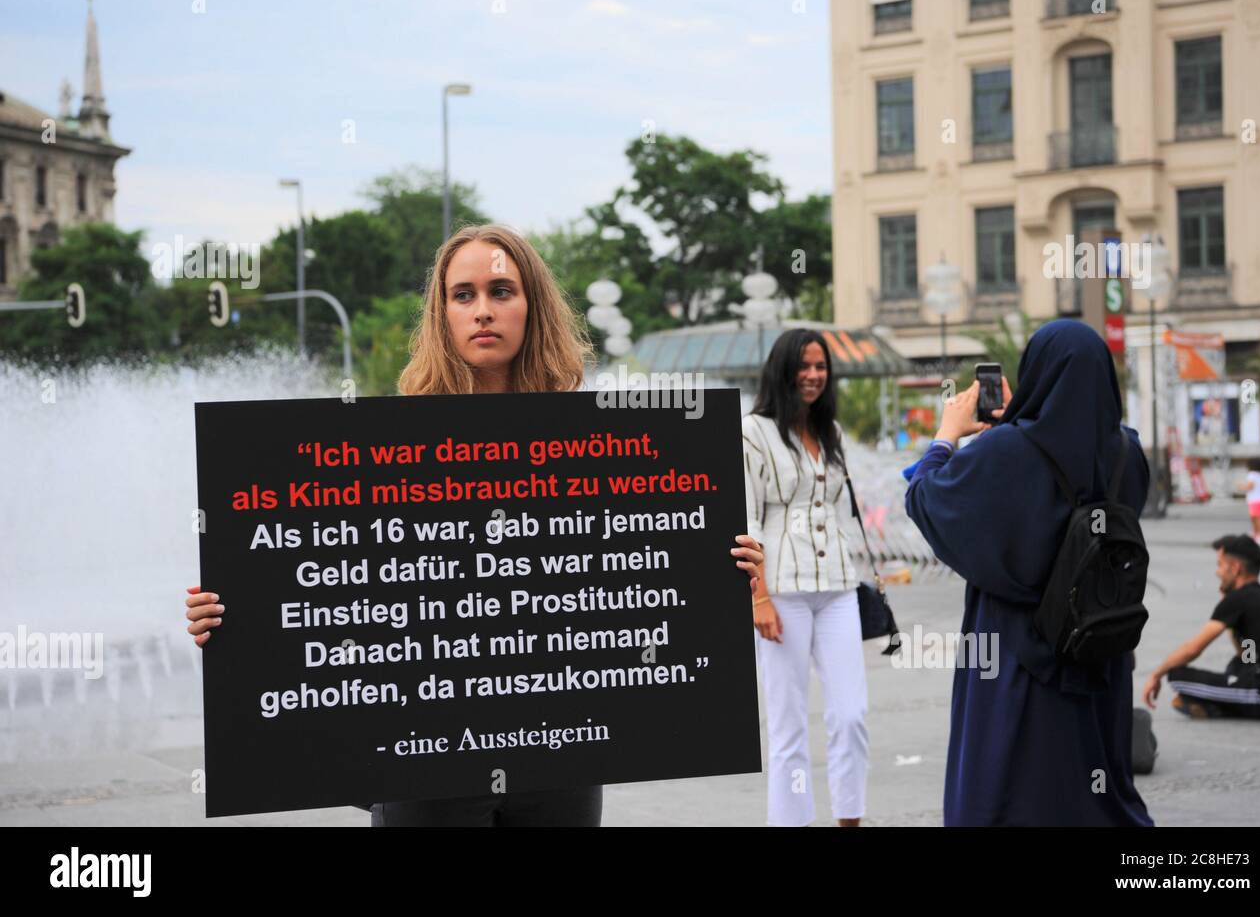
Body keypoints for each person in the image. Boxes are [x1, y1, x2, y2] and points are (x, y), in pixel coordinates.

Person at [185, 224, 768, 825]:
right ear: (441, 313)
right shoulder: (380, 451)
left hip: (559, 753)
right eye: (462, 295)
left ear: (532, 305)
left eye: (501, 290)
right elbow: (327, 584)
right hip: (422, 760)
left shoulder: (595, 446)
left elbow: (632, 576)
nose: (482, 310)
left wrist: (720, 573)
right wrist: (235, 621)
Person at [905, 319, 1153, 826]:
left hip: (1017, 649)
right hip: (1098, 643)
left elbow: (927, 500)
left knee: (1011, 779)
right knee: (1092, 777)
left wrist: (947, 436)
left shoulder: (1005, 453)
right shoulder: (1129, 451)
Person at [739, 328, 870, 828]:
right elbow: (746, 520)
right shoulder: (753, 432)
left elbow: (841, 513)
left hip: (838, 587)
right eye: (805, 366)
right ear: (783, 370)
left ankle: (850, 819)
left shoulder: (830, 433)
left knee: (851, 715)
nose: (814, 376)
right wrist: (760, 598)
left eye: (821, 367)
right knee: (789, 725)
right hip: (783, 592)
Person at [1142, 535, 1260, 720]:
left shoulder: (1237, 600)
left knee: (1177, 676)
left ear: (1236, 568)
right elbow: (1246, 654)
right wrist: (1232, 623)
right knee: (1237, 664)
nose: (1217, 572)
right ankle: (1220, 703)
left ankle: (1216, 707)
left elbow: (1193, 650)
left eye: (1220, 565)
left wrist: (1156, 674)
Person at [1239, 458, 1260, 546]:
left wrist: (1241, 487)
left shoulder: (1252, 475)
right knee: (1255, 518)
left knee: (1257, 518)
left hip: (1255, 500)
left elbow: (1250, 486)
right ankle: (1256, 533)